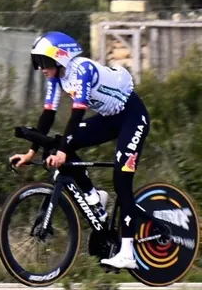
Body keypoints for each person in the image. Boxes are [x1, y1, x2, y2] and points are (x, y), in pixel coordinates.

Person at [11, 31, 149, 271]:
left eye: (43, 61)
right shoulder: (57, 79)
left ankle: (128, 253)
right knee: (56, 143)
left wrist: (64, 151)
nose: (40, 68)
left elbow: (77, 113)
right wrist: (31, 152)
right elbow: (48, 115)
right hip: (108, 118)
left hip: (132, 117)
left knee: (122, 179)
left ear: (60, 58)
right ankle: (95, 197)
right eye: (37, 62)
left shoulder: (82, 70)